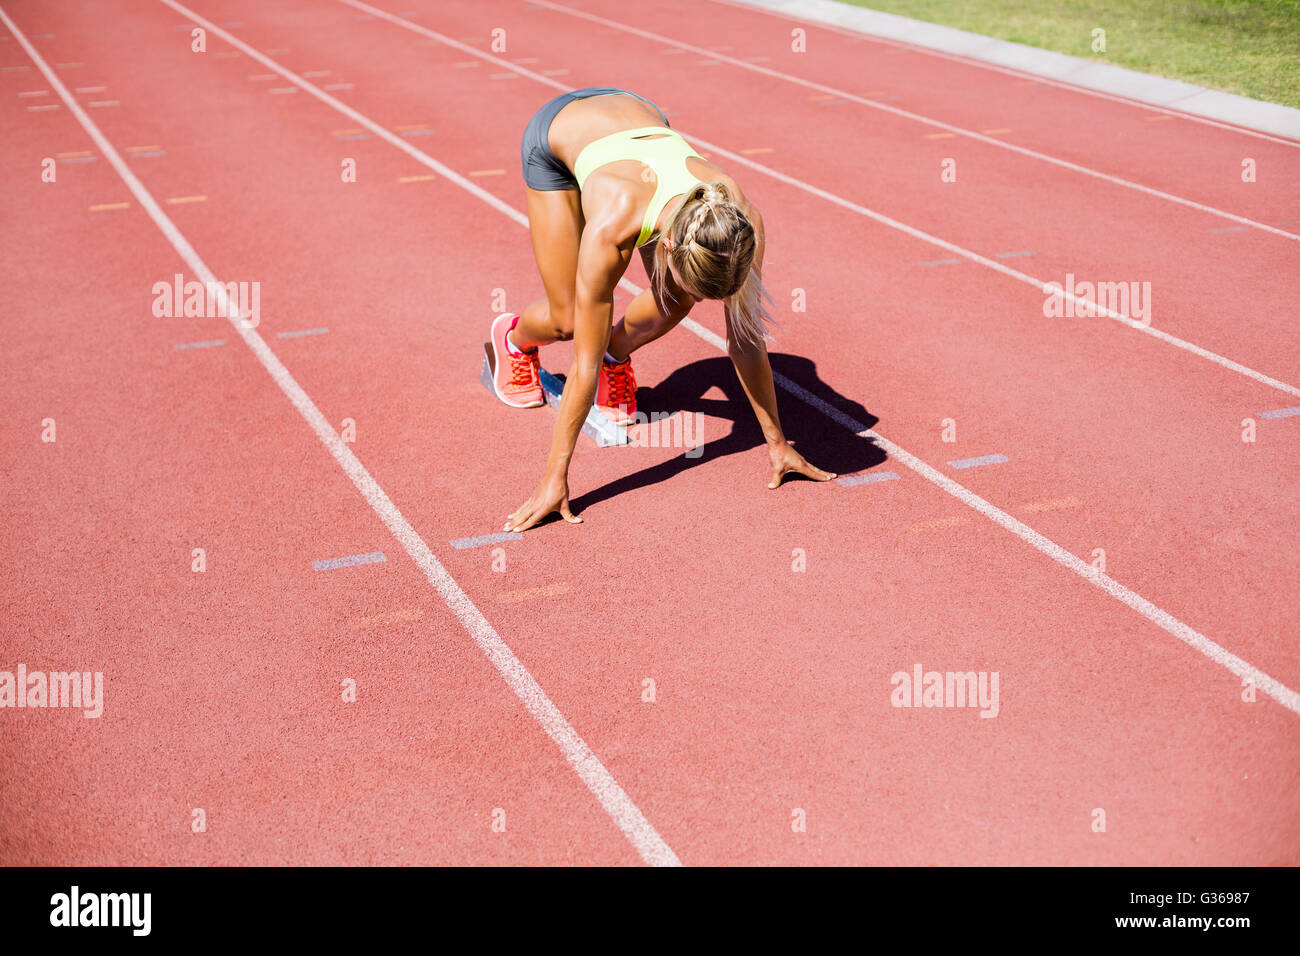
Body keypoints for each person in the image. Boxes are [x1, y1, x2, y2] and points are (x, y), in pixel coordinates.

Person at [488, 88, 833, 533]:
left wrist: (778, 443)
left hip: (641, 118)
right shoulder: (613, 227)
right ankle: (512, 341)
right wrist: (555, 480)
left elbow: (744, 341)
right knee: (572, 321)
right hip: (558, 136)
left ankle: (620, 352)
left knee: (675, 297)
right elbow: (582, 365)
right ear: (666, 244)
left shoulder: (738, 223)